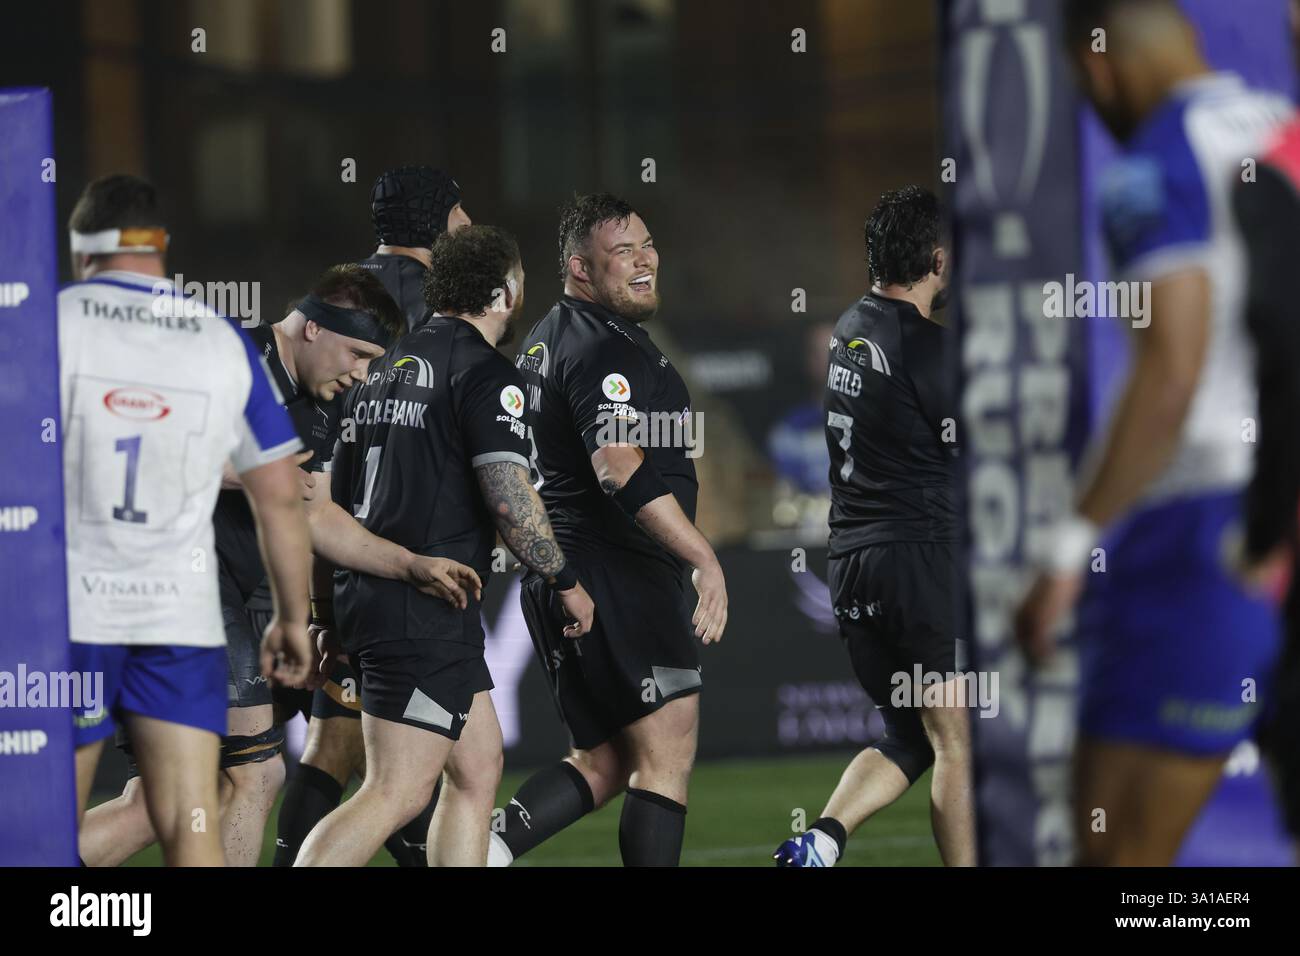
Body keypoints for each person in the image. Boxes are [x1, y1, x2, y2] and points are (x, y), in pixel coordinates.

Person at [80, 265, 480, 866]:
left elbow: (316, 515)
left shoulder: (319, 406)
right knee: (253, 775)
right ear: (313, 328)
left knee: (176, 794)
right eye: (358, 353)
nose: (363, 374)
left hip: (215, 598)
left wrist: (408, 564)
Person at [1016, 0, 1293, 865]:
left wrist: (1068, 548)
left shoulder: (1155, 161)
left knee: (1120, 863)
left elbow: (1170, 377)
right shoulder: (1283, 128)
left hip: (1210, 525)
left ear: (1098, 66)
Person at [296, 224, 593, 866]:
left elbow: (328, 507)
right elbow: (511, 501)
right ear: (505, 293)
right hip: (420, 606)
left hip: (379, 603)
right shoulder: (488, 375)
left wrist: (327, 613)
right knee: (395, 793)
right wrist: (565, 581)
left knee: (477, 767)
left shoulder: (378, 369)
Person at [61, 174, 312, 866]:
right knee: (191, 820)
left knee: (49, 826)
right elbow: (280, 496)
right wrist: (292, 618)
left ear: (82, 253)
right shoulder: (220, 338)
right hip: (177, 617)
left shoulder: (42, 325)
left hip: (72, 611)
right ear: (160, 249)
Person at [493, 193, 728, 867]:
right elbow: (618, 467)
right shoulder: (606, 347)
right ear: (581, 270)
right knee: (666, 752)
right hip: (617, 571)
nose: (645, 261)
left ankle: (478, 851)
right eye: (623, 252)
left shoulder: (544, 338)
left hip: (566, 574)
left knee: (603, 761)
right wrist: (703, 558)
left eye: (648, 245)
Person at [773, 186, 972, 867]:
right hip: (917, 560)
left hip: (852, 565)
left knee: (908, 736)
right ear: (939, 259)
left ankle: (822, 838)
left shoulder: (849, 329)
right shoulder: (927, 347)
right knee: (959, 741)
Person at [357, 165, 472, 330]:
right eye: (455, 209)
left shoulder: (335, 282)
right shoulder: (436, 296)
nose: (466, 220)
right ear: (427, 219)